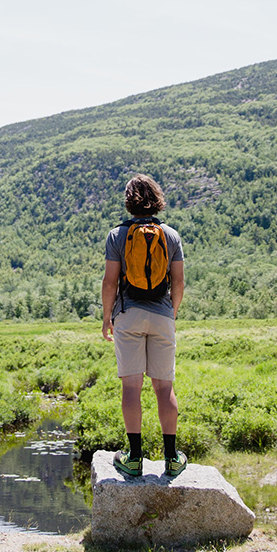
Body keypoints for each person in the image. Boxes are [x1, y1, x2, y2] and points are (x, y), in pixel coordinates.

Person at [101, 174, 187, 478]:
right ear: (156, 198)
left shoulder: (117, 235)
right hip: (162, 315)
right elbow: (178, 282)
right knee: (164, 387)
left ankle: (134, 457)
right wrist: (171, 313)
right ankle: (172, 458)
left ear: (129, 201)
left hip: (128, 314)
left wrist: (106, 317)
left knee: (131, 387)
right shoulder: (171, 235)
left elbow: (110, 282)